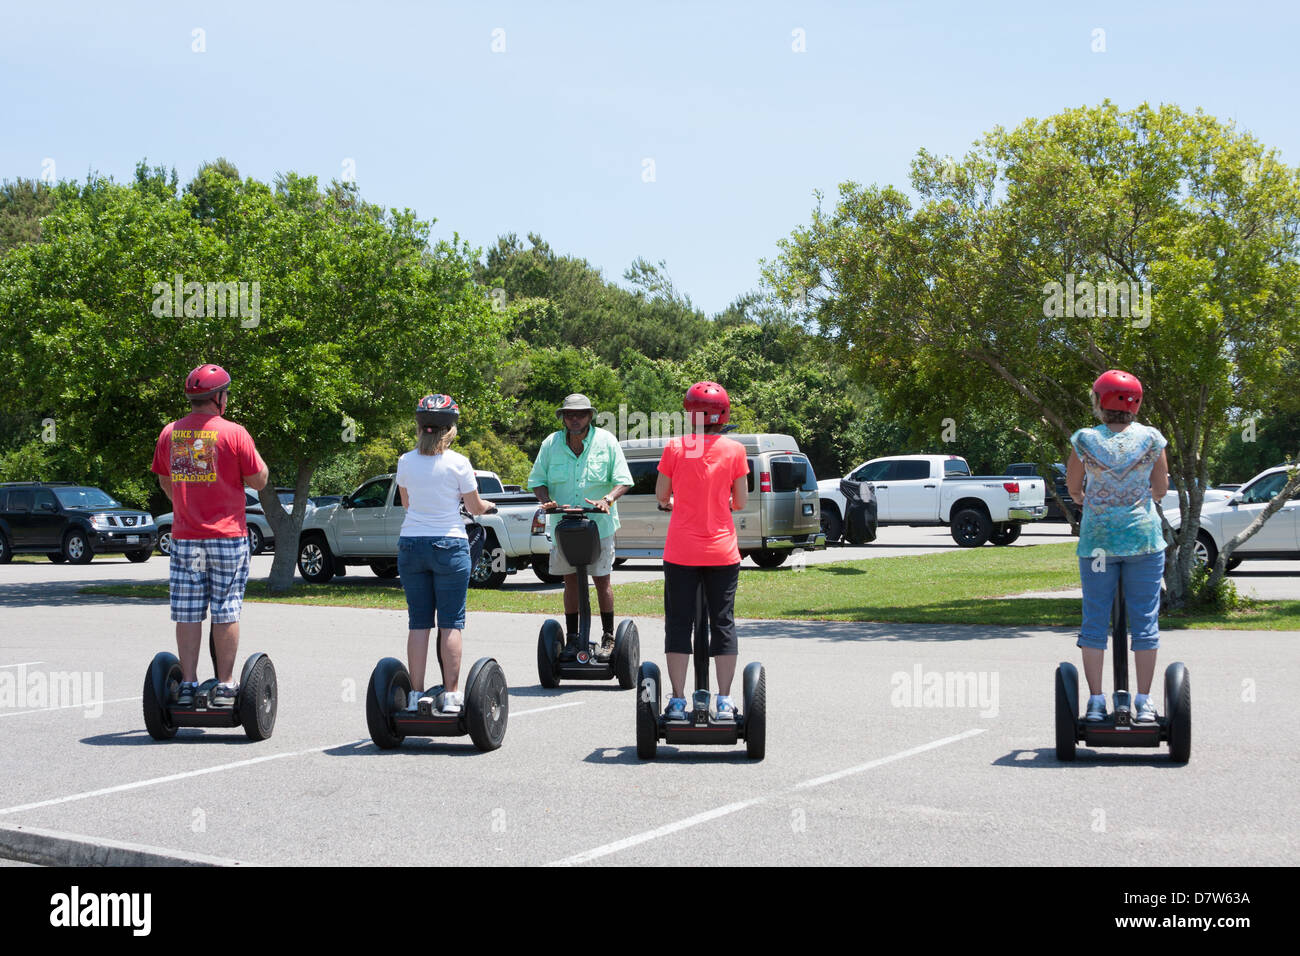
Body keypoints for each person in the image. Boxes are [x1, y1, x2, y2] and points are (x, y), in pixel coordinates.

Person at [151, 364, 269, 707]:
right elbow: (259, 480)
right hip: (227, 537)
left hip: (186, 537)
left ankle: (187, 684)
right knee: (226, 609)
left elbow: (164, 481)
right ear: (218, 398)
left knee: (187, 612)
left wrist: (188, 506)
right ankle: (227, 684)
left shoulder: (170, 433)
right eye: (226, 394)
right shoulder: (234, 433)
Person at [1066, 369, 1170, 724]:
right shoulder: (1152, 439)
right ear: (1135, 404)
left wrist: (1089, 499)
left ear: (1099, 402)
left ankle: (1095, 703)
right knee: (1145, 623)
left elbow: (1074, 487)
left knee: (1094, 621)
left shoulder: (1085, 439)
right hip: (1143, 541)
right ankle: (1144, 702)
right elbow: (1160, 490)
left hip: (1098, 545)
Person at [395, 394, 497, 714]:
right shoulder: (459, 463)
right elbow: (474, 507)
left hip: (411, 545)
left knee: (419, 623)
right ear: (450, 427)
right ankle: (452, 696)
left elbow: (407, 504)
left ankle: (414, 695)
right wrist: (489, 507)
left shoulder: (405, 461)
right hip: (449, 545)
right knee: (451, 622)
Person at [655, 381, 749, 721]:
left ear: (690, 414)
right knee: (723, 622)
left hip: (681, 551)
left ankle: (678, 701)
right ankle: (724, 701)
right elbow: (741, 501)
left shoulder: (676, 447)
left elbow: (662, 498)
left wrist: (679, 501)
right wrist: (719, 500)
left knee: (678, 624)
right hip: (722, 552)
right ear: (723, 414)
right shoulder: (735, 450)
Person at [528, 393, 632, 661]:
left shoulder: (606, 442)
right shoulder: (551, 444)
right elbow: (538, 480)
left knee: (601, 580)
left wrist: (607, 499)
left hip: (600, 525)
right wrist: (546, 501)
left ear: (589, 416)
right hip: (564, 526)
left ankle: (609, 636)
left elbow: (624, 480)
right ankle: (573, 638)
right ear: (563, 417)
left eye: (580, 414)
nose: (574, 419)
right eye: (569, 414)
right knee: (570, 582)